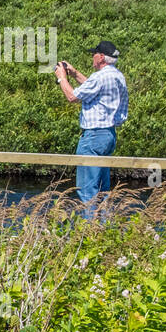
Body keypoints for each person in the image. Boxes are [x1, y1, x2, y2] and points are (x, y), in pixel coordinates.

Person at [55, 40, 129, 217]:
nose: (92, 57)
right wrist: (74, 73)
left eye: (94, 54)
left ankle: (88, 234)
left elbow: (73, 97)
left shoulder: (100, 77)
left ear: (101, 57)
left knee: (88, 192)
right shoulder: (117, 75)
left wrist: (61, 78)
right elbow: (93, 88)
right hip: (108, 135)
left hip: (93, 137)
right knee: (103, 191)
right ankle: (102, 230)